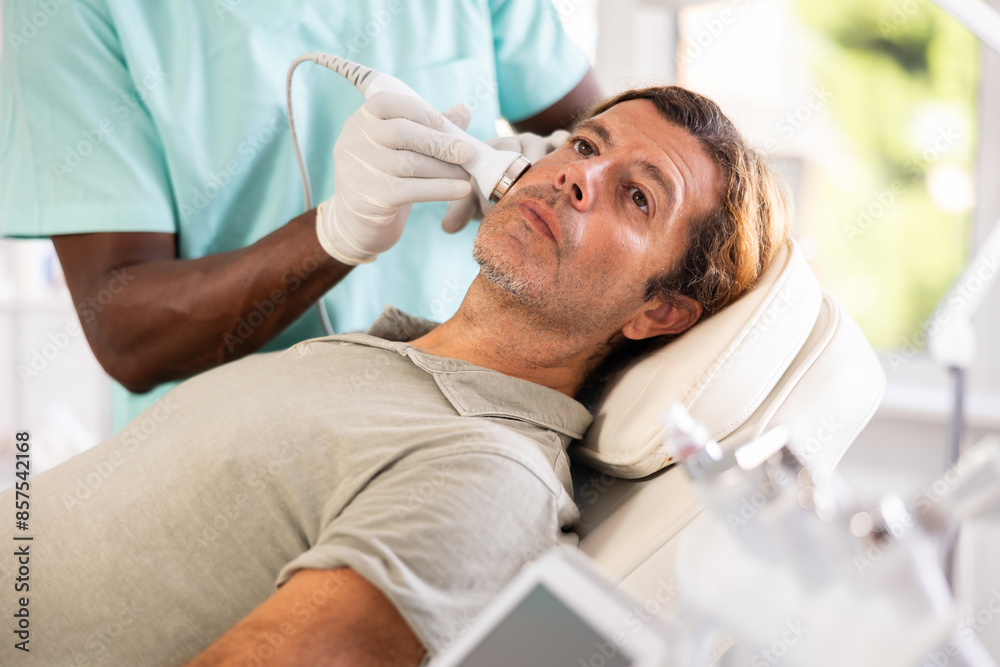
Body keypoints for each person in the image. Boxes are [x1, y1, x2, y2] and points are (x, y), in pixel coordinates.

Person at [0, 84, 789, 666]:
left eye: (639, 196)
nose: (576, 175)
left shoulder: (488, 475)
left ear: (660, 312)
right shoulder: (391, 360)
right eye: (584, 144)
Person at [0, 0, 601, 431]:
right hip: (231, 452)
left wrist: (556, 157)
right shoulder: (68, 14)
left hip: (471, 409)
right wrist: (331, 234)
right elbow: (123, 330)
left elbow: (611, 132)